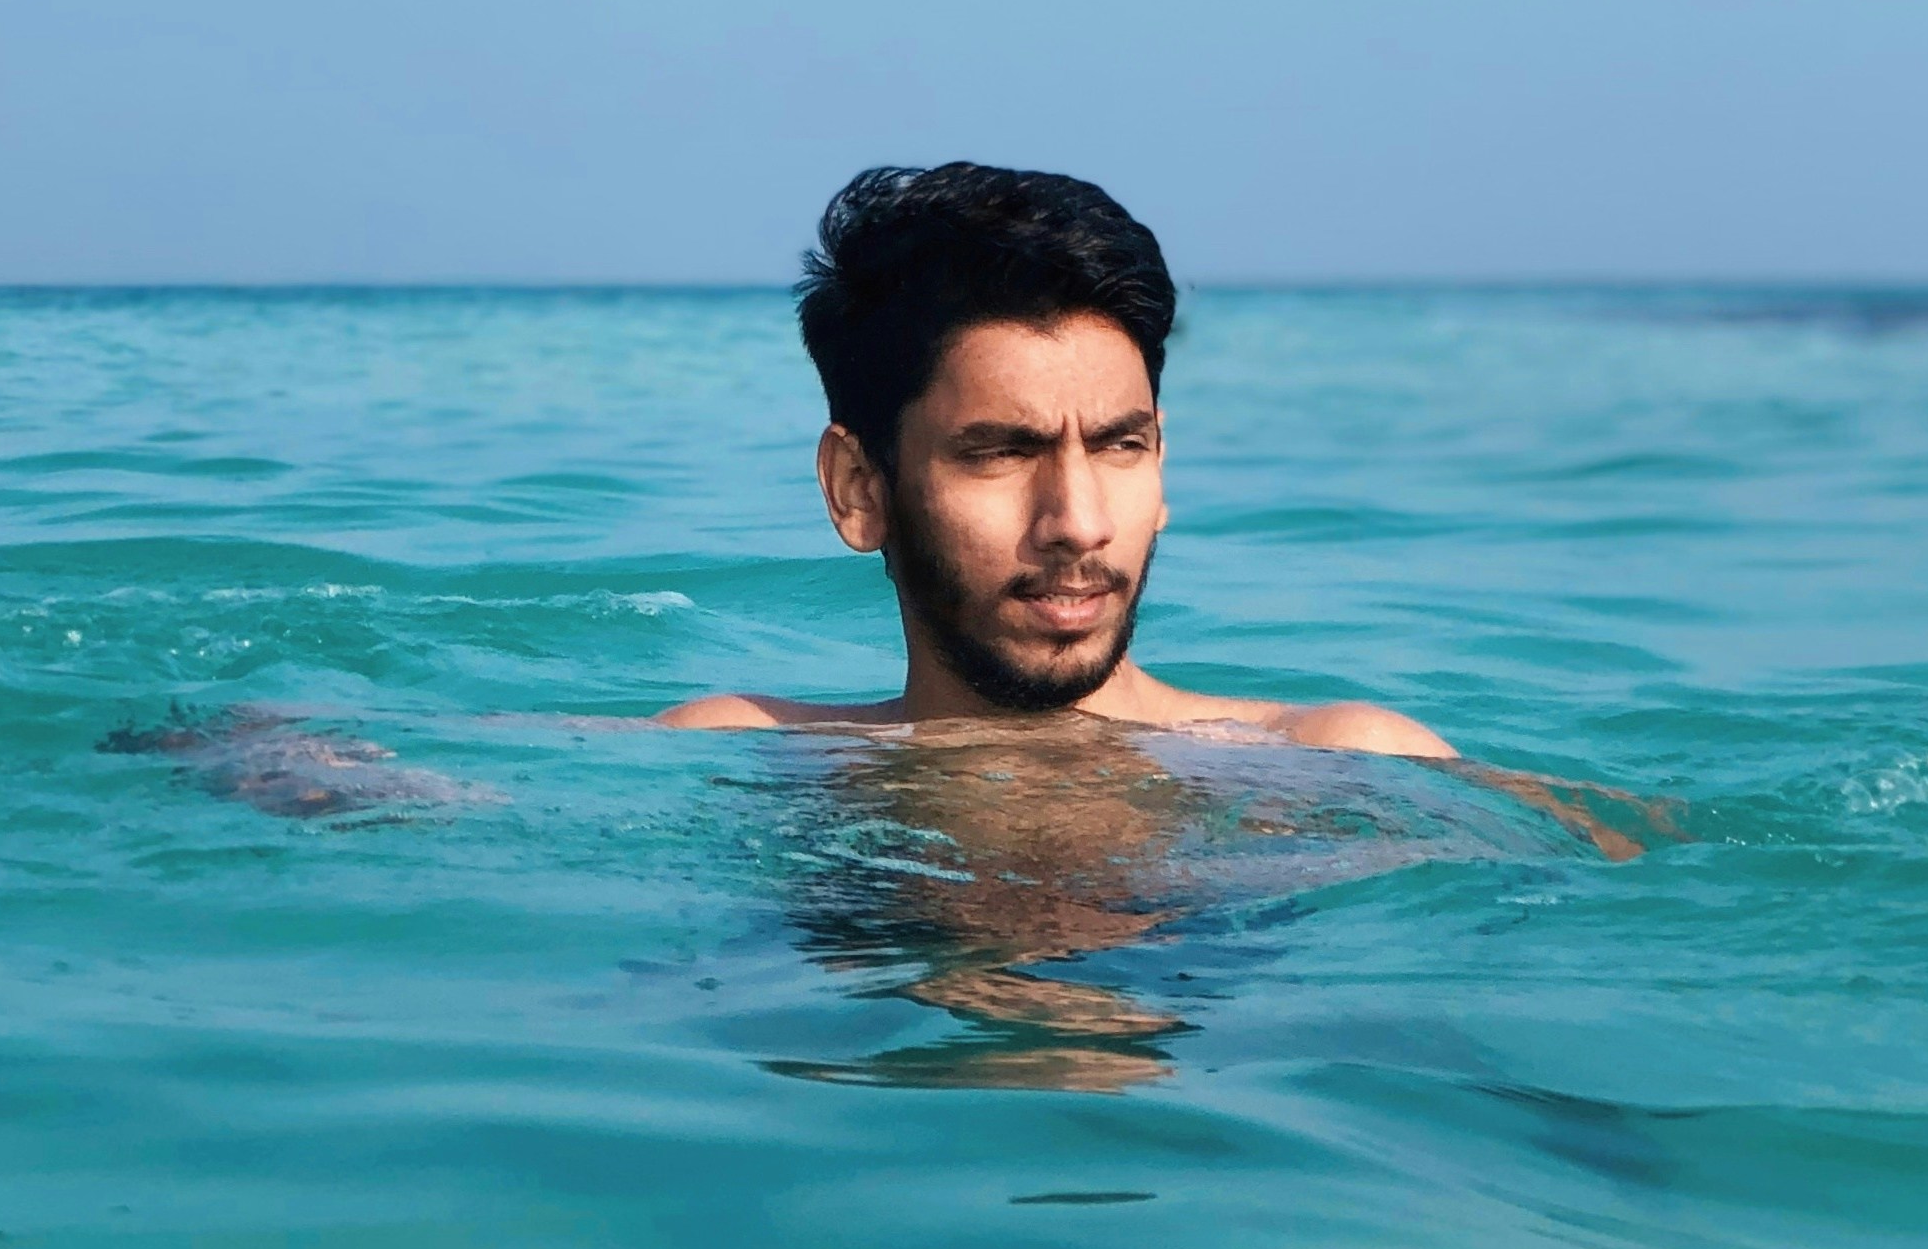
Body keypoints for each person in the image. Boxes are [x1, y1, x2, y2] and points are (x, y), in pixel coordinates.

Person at [652, 161, 1651, 860]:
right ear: (859, 491)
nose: (1079, 522)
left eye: (1119, 445)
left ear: (1162, 464)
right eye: (1001, 453)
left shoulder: (1338, 765)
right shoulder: (742, 759)